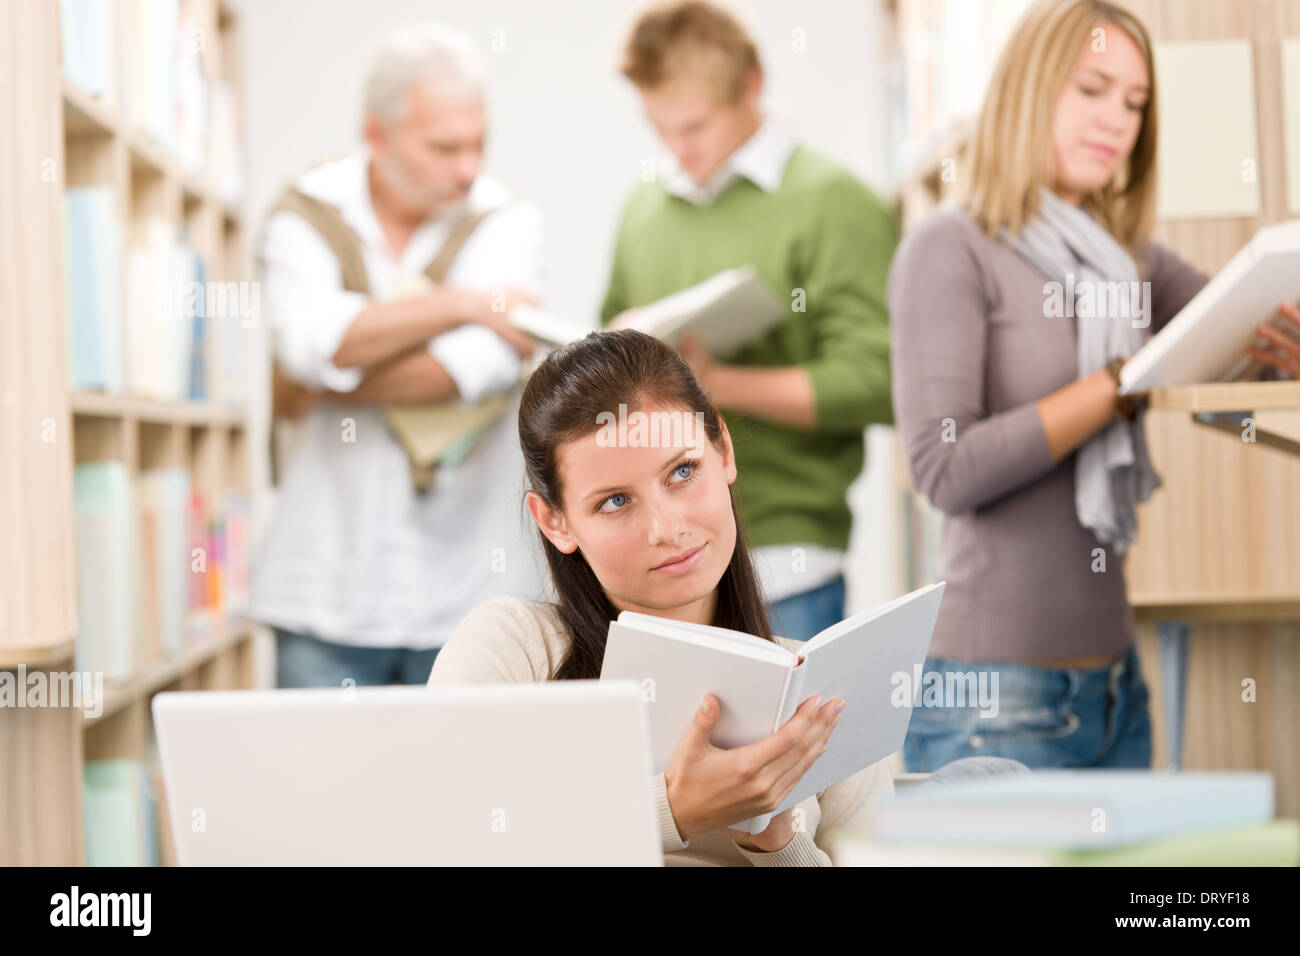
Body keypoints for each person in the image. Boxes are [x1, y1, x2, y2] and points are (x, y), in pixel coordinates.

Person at [890, 0, 1297, 771]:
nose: (1118, 119)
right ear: (1029, 90)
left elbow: (1239, 332)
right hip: (996, 698)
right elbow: (945, 469)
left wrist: (1288, 348)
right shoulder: (948, 247)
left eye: (1136, 103)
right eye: (1093, 89)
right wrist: (1116, 385)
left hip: (1114, 687)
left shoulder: (1127, 261)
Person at [429, 330, 893, 866]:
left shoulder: (823, 693)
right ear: (554, 521)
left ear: (724, 451)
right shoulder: (513, 650)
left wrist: (777, 842)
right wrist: (672, 811)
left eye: (682, 471)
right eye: (616, 501)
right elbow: (448, 845)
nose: (666, 528)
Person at [249, 24, 547, 687]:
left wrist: (323, 379)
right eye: (444, 147)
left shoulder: (508, 220)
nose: (468, 168)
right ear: (378, 136)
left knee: (466, 790)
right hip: (321, 591)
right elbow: (310, 344)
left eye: (478, 144)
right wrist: (463, 304)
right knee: (317, 788)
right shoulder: (306, 213)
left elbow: (466, 375)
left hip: (470, 592)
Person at [600, 1, 898, 640]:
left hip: (780, 560)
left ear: (750, 88)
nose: (677, 149)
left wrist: (714, 384)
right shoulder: (643, 209)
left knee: (788, 740)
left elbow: (882, 381)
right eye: (660, 128)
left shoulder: (831, 200)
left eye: (695, 126)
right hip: (653, 566)